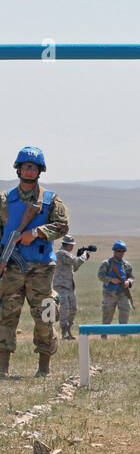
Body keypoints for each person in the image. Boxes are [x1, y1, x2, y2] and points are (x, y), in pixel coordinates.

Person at [0, 147, 69, 377]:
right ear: (18, 169)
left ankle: (44, 368)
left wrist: (37, 232)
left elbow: (62, 225)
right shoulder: (4, 199)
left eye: (34, 167)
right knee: (6, 314)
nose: (29, 171)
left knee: (45, 315)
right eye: (25, 166)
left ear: (40, 171)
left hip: (40, 268)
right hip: (10, 267)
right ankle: (2, 368)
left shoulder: (50, 200)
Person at [53, 235, 92, 340]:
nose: (73, 247)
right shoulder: (61, 253)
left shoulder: (67, 255)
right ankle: (64, 332)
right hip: (61, 287)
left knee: (73, 309)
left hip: (69, 287)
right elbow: (76, 262)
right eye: (72, 245)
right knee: (64, 310)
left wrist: (80, 258)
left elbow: (74, 267)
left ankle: (69, 330)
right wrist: (83, 255)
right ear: (68, 245)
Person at [98, 241, 134, 324]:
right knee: (108, 314)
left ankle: (124, 335)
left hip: (123, 293)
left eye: (122, 251)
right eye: (118, 251)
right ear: (114, 251)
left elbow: (131, 277)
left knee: (125, 313)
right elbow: (100, 275)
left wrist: (128, 282)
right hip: (110, 293)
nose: (120, 253)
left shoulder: (127, 265)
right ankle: (104, 335)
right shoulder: (107, 263)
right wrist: (110, 280)